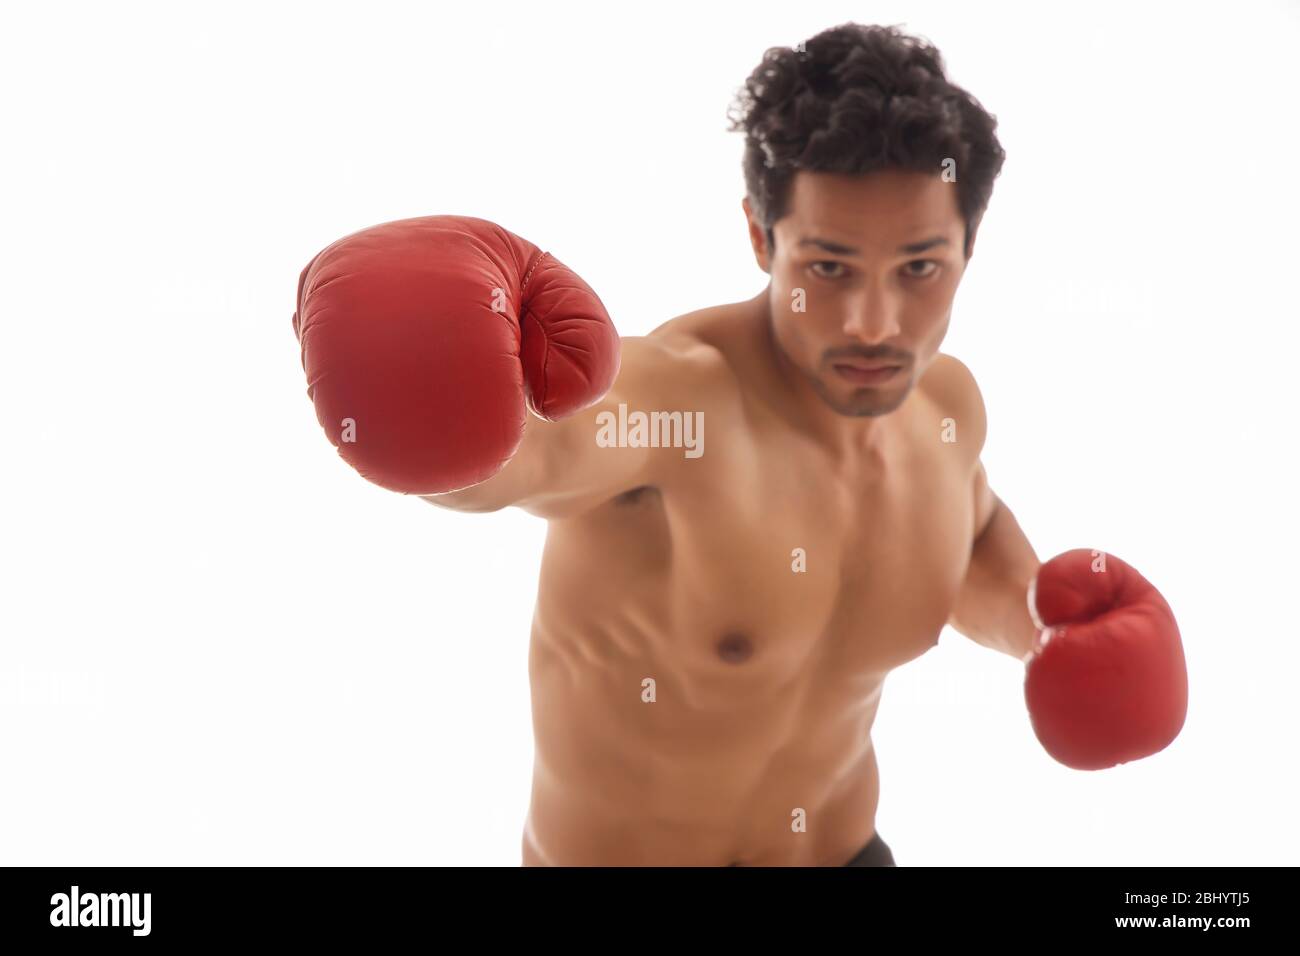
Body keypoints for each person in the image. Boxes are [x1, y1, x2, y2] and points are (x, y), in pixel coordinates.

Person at [292, 23, 1187, 866]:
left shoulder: (947, 410)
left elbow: (969, 538)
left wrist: (1045, 626)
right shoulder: (679, 405)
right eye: (828, 267)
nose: (874, 325)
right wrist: (428, 387)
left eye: (919, 268)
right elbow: (532, 459)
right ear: (762, 237)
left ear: (967, 250)